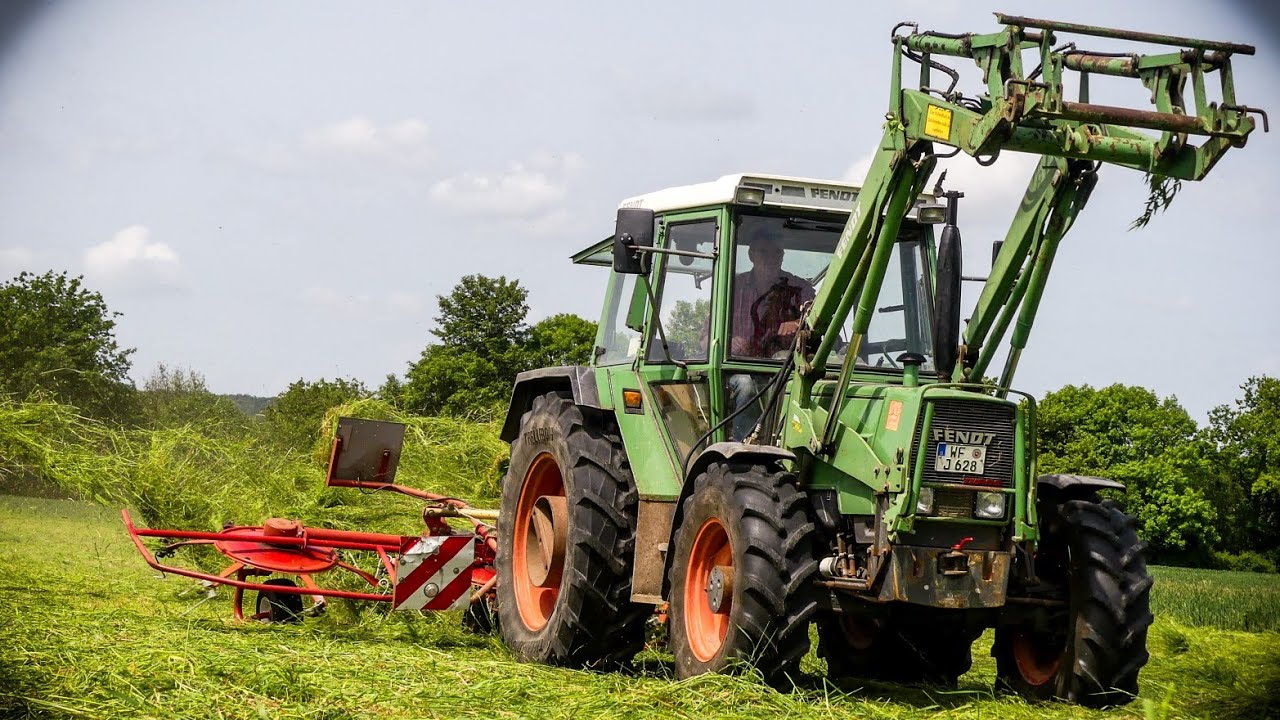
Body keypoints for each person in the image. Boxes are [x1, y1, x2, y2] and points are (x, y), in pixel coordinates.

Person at [726, 227, 814, 440]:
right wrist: (730, 342)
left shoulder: (800, 288)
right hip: (738, 367)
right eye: (763, 252)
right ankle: (742, 447)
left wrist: (798, 323)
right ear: (751, 255)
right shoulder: (732, 287)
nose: (771, 258)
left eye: (776, 252)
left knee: (786, 377)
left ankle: (782, 440)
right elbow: (706, 338)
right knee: (746, 385)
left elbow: (817, 319)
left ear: (782, 256)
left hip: (781, 369)